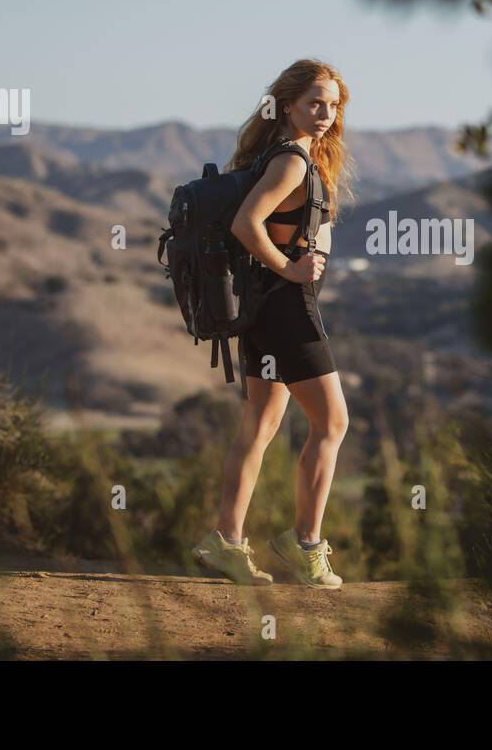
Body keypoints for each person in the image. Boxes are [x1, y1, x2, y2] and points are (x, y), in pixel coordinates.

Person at [191, 59, 353, 589]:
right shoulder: (290, 163)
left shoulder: (285, 156)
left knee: (259, 428)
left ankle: (226, 543)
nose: (326, 113)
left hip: (265, 308)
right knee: (332, 424)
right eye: (315, 103)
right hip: (286, 308)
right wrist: (289, 267)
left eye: (333, 104)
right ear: (287, 105)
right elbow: (246, 224)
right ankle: (305, 546)